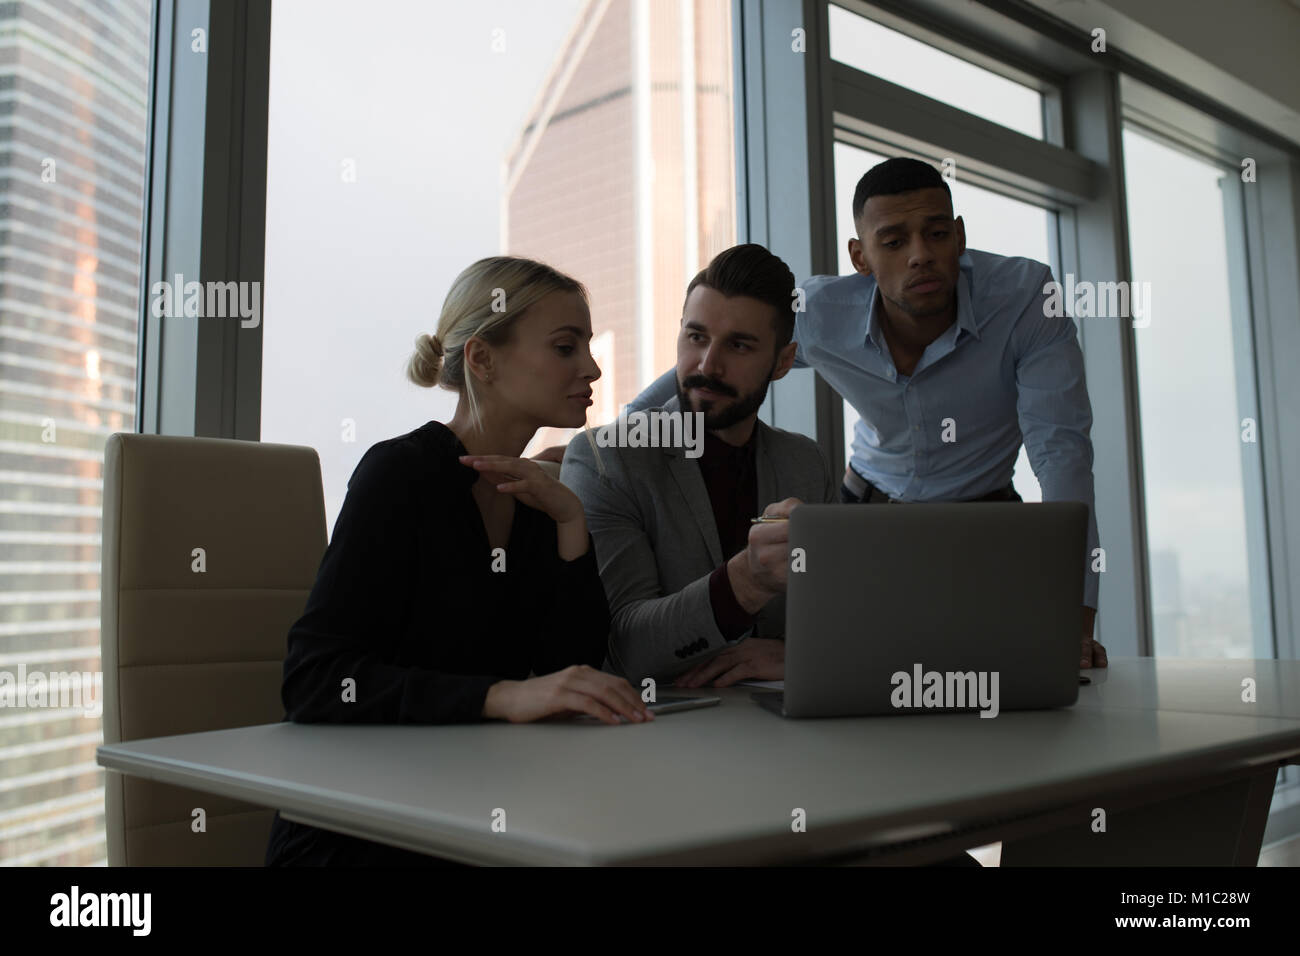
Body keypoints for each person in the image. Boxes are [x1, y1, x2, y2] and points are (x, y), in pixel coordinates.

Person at [625, 158, 1107, 669]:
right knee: (855, 673)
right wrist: (616, 443)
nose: (921, 256)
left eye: (937, 233)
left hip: (982, 519)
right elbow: (709, 369)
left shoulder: (1026, 299)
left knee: (990, 683)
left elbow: (1062, 456)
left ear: (959, 236)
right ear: (860, 256)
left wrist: (1074, 621)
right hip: (864, 512)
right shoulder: (817, 312)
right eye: (895, 242)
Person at [265, 256, 652, 867]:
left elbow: (567, 677)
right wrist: (499, 697)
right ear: (483, 358)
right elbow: (315, 680)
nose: (592, 367)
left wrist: (571, 523)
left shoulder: (535, 499)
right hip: (364, 835)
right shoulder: (400, 475)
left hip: (478, 816)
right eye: (565, 347)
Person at [561, 244, 836, 688]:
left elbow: (840, 616)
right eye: (696, 337)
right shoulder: (606, 457)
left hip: (787, 725)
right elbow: (620, 648)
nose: (709, 365)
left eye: (739, 345)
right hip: (658, 736)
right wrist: (745, 582)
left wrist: (800, 656)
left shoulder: (805, 463)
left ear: (783, 362)